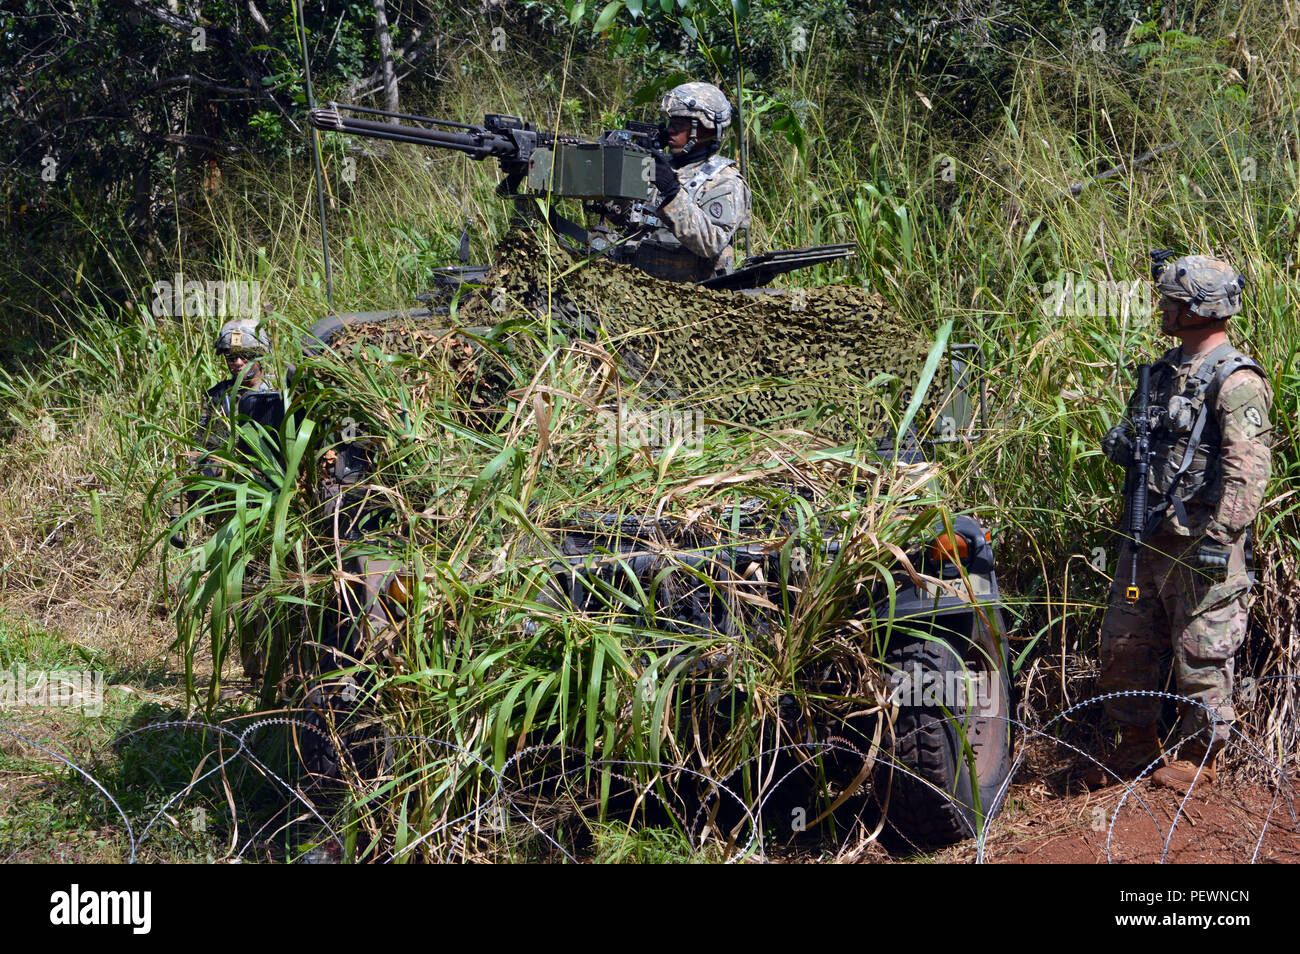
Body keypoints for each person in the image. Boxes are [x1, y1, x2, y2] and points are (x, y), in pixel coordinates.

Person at [1085, 252, 1272, 794]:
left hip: (1202, 542)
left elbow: (1249, 468)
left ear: (1197, 309)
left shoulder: (1236, 380)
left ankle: (1201, 758)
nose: (1162, 308)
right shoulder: (1164, 372)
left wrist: (1223, 536)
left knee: (1202, 655)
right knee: (1124, 644)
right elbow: (1138, 438)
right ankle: (1135, 745)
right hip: (1149, 534)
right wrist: (1121, 445)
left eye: (1171, 300)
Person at [629, 81, 752, 282]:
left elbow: (712, 242)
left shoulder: (726, 181)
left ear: (705, 130)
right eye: (670, 124)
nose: (670, 131)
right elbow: (630, 221)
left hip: (694, 295)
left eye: (679, 126)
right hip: (641, 284)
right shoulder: (660, 166)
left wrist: (671, 193)